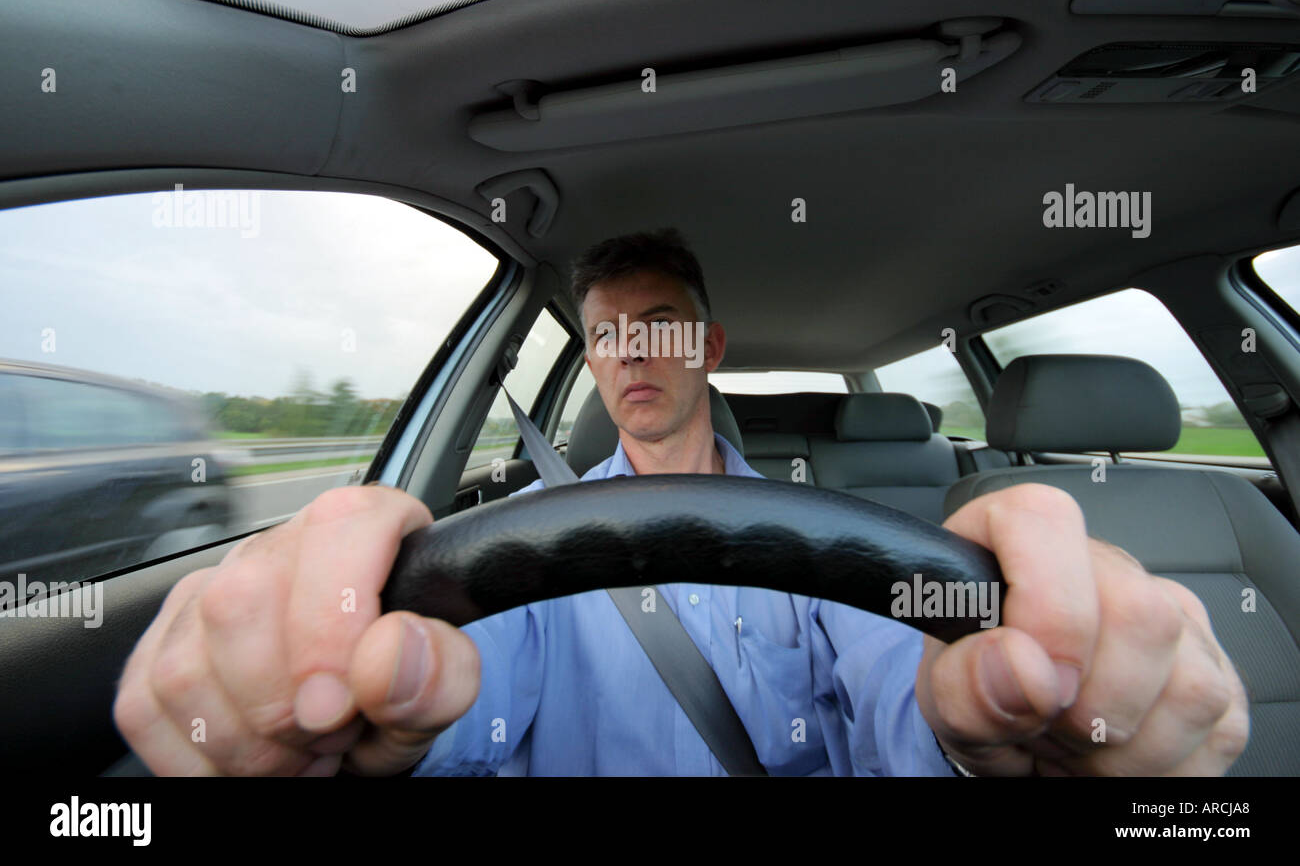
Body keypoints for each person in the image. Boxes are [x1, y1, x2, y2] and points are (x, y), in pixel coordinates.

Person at [113, 229, 1249, 776]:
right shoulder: (519, 552)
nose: (632, 353)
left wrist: (1003, 722)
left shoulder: (842, 548)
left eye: (657, 325)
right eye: (608, 335)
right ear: (594, 361)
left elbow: (897, 700)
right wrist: (346, 705)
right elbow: (466, 698)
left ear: (706, 344)